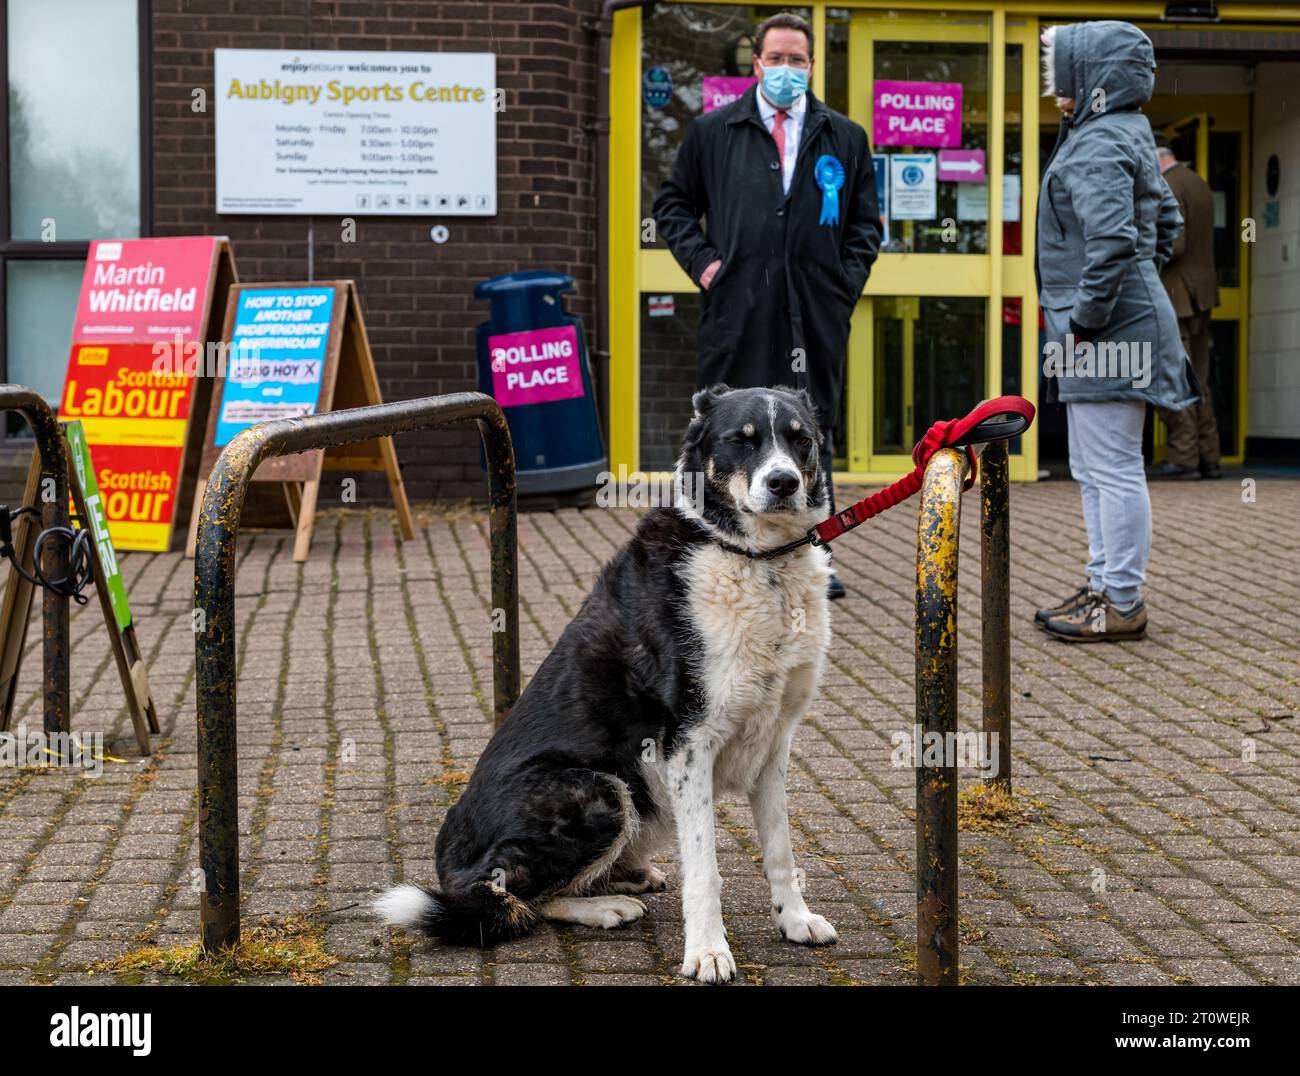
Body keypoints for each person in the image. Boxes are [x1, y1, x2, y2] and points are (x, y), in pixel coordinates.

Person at [653, 11, 882, 600]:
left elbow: (865, 225)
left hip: (813, 312)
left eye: (796, 60)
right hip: (738, 309)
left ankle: (814, 556)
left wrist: (840, 284)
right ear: (756, 64)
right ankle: (709, 542)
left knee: (810, 428)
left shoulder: (845, 136)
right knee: (723, 429)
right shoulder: (712, 132)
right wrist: (708, 266)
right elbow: (673, 206)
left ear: (811, 65)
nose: (786, 69)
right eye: (775, 59)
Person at [1034, 21, 1197, 642]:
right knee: (1094, 465)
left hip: (1102, 331)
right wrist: (1134, 286)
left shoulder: (1100, 140)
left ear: (1092, 72)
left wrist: (1085, 320)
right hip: (1110, 324)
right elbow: (1167, 222)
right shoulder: (1121, 130)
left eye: (1061, 69)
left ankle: (1121, 600)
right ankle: (1105, 585)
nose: (1054, 86)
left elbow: (1112, 242)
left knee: (1111, 467)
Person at [1149, 131, 1223, 480]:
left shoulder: (1169, 185)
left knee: (1175, 375)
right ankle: (1209, 455)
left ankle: (1183, 455)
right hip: (1201, 295)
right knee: (1199, 378)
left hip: (1177, 296)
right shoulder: (1198, 182)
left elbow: (1174, 245)